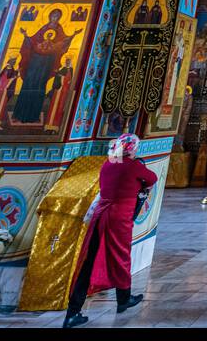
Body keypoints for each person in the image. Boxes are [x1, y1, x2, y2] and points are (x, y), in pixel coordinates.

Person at [65, 133, 157, 328]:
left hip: (100, 217)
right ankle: (123, 298)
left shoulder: (107, 165)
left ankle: (74, 310)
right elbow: (152, 178)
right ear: (132, 148)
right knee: (121, 257)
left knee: (89, 261)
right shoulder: (132, 166)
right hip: (118, 219)